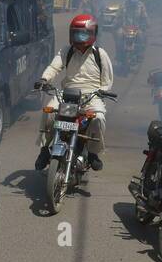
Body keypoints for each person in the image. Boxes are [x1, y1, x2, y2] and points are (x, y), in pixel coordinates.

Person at [34, 14, 114, 171]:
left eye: (83, 33)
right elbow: (54, 67)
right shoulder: (66, 51)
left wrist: (102, 92)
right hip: (68, 94)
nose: (79, 37)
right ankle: (44, 150)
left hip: (92, 96)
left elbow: (107, 80)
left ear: (92, 34)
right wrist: (44, 80)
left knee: (98, 118)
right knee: (49, 112)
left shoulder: (100, 54)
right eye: (76, 33)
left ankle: (92, 153)